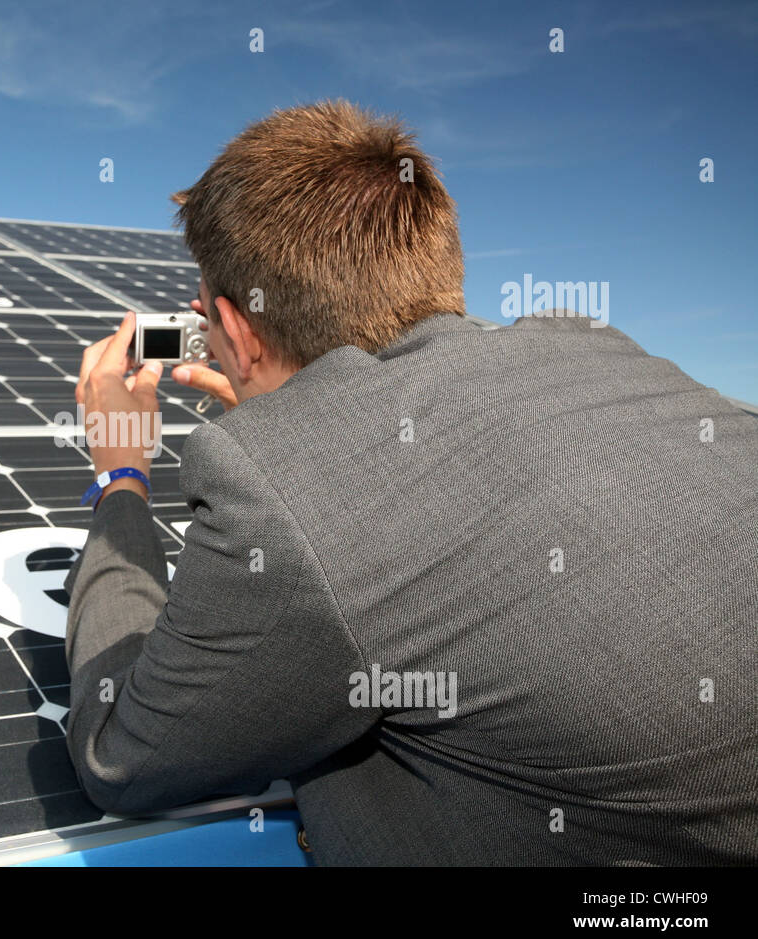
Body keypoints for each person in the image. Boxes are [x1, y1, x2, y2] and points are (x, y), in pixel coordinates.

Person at [62, 99, 758, 865]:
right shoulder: (595, 349)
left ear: (234, 331)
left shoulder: (282, 494)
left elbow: (119, 755)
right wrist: (301, 423)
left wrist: (123, 466)